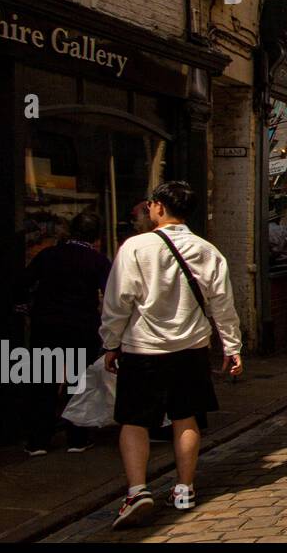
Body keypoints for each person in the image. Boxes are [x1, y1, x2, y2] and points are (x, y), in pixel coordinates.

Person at [100, 181, 243, 529]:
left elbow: (118, 300)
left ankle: (137, 491)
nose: (149, 209)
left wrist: (111, 342)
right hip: (190, 349)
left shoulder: (135, 247)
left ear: (160, 207)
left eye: (151, 204)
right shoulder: (207, 251)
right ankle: (184, 488)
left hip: (143, 348)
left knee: (134, 421)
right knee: (185, 417)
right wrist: (232, 346)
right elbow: (222, 304)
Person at [18, 211, 112, 456]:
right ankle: (77, 438)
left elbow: (23, 283)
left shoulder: (48, 255)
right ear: (96, 237)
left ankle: (38, 440)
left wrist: (26, 308)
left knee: (43, 382)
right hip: (81, 327)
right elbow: (111, 295)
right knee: (79, 382)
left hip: (46, 326)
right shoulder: (98, 260)